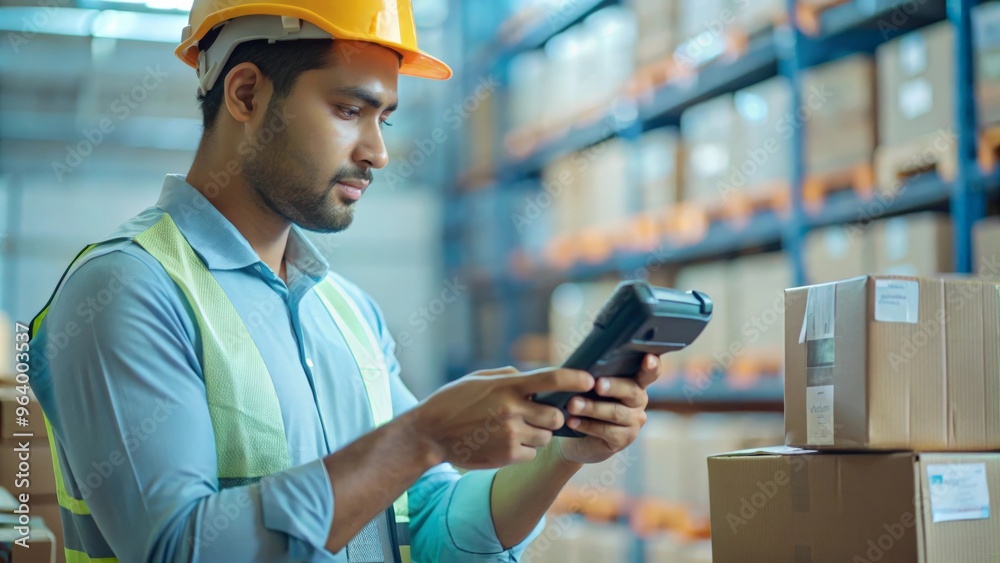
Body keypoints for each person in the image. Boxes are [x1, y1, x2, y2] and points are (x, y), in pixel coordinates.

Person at [27, 1, 662, 561]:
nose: (377, 151)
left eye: (383, 118)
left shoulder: (346, 311)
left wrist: (560, 453)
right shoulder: (125, 292)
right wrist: (421, 436)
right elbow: (178, 549)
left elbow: (434, 532)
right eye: (348, 108)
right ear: (246, 95)